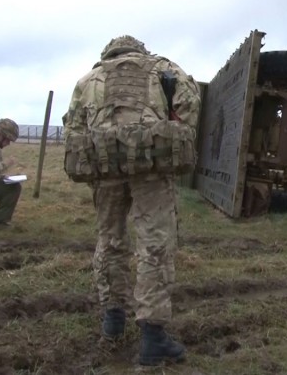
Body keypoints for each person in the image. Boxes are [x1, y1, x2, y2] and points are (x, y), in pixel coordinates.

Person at [62, 35, 200, 366]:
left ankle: (112, 319)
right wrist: (165, 131)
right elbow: (189, 103)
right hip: (151, 168)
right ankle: (152, 338)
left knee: (110, 241)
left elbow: (73, 127)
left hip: (105, 169)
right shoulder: (163, 68)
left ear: (109, 53)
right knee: (154, 244)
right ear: (139, 50)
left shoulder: (88, 79)